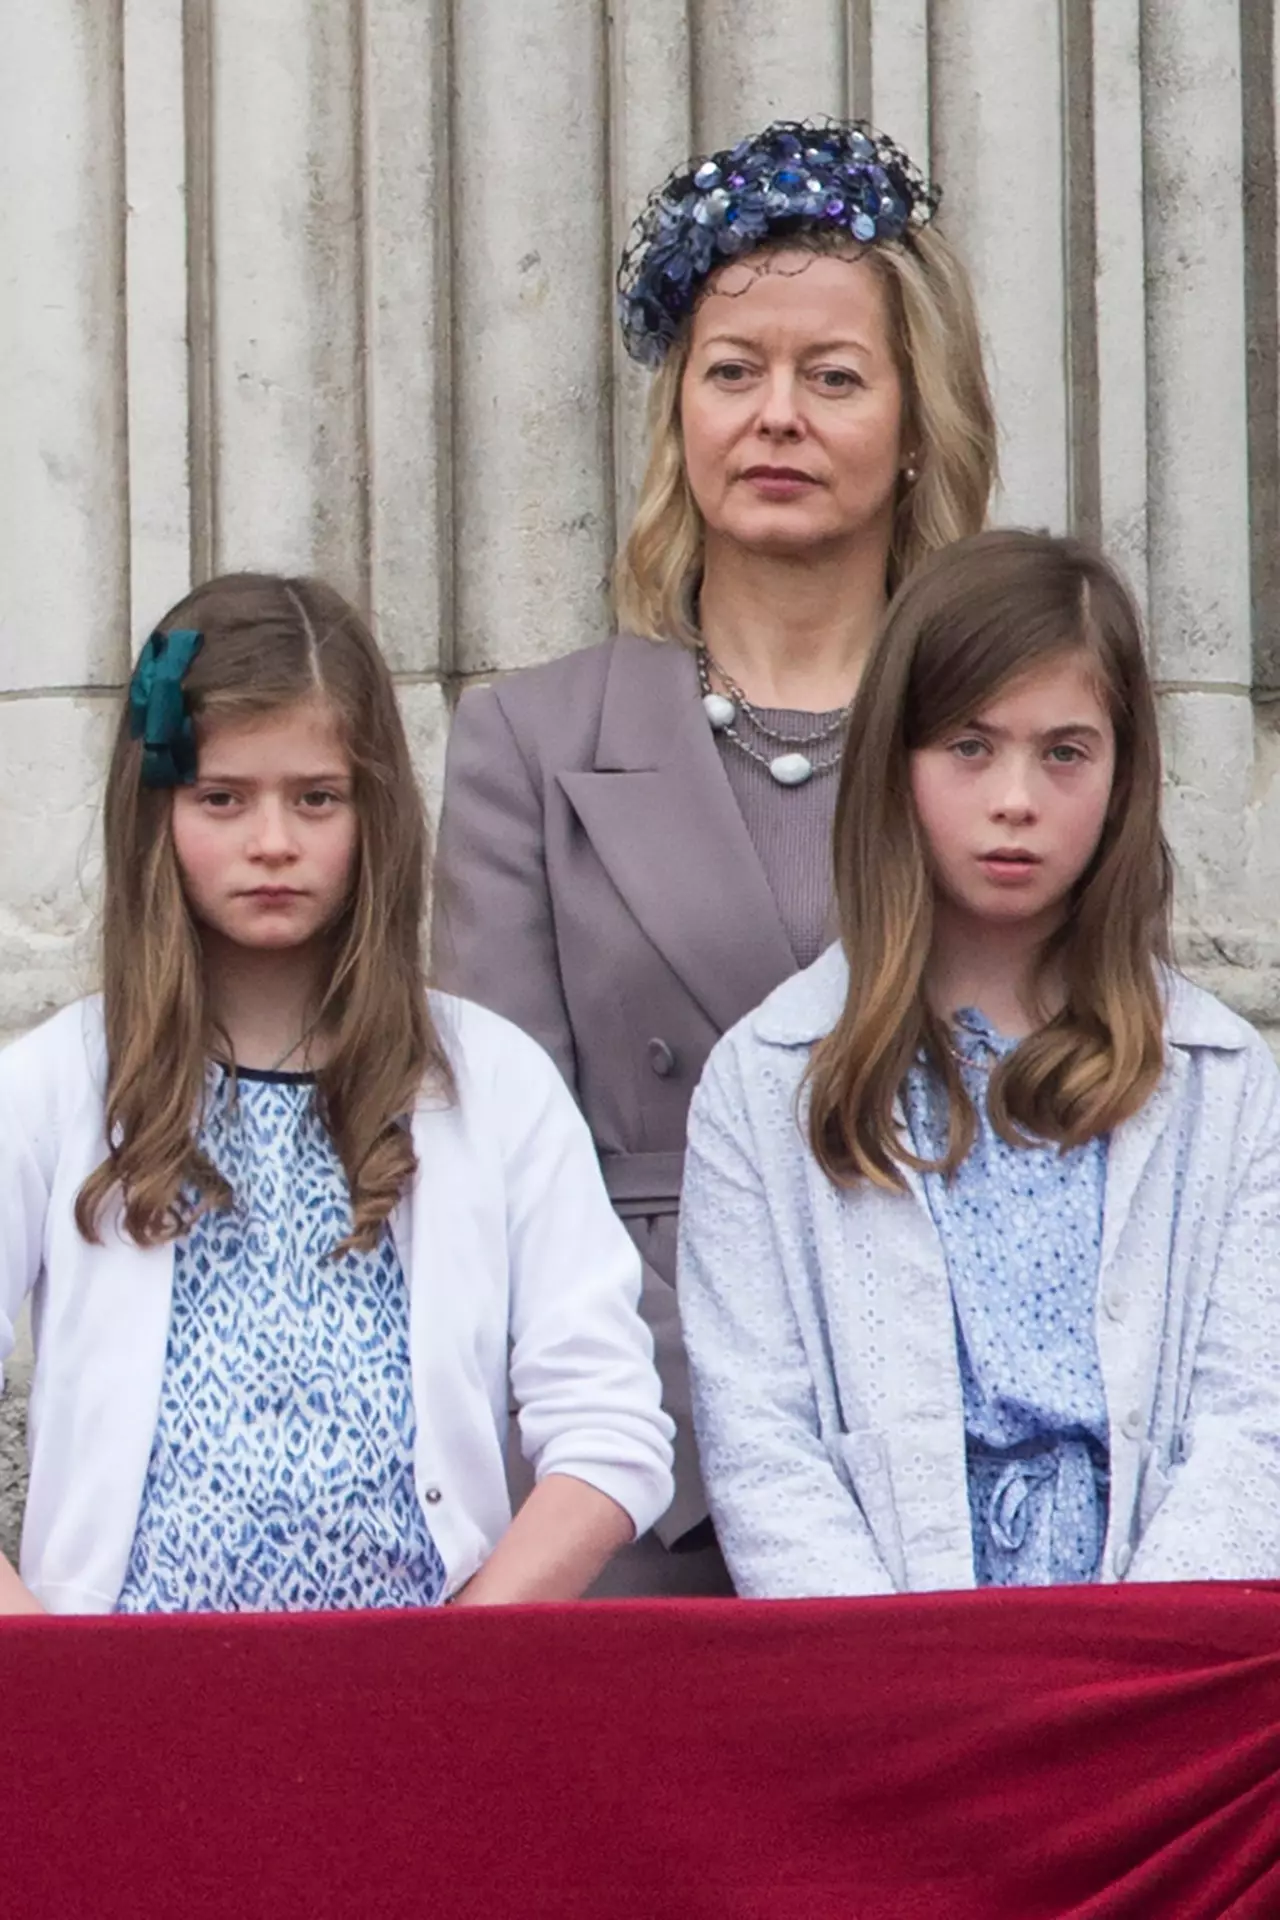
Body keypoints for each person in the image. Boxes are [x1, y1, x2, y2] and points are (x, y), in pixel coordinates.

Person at [431, 118, 997, 1594]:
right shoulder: (528, 744)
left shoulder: (1017, 740)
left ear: (920, 420)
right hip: (637, 1465)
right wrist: (691, 1440)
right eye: (732, 372)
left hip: (967, 1445)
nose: (776, 417)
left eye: (834, 376)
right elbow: (496, 1157)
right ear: (679, 416)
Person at [0, 574, 673, 1616]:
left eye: (316, 797)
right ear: (155, 811)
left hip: (422, 1711)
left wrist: (464, 1657)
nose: (273, 841)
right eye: (222, 798)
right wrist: (42, 1664)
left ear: (376, 810)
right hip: (121, 1712)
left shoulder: (489, 1083)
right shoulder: (52, 1086)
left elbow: (610, 1423)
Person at [677, 527, 1280, 1598]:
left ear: (1120, 772)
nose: (1014, 798)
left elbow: (1251, 1419)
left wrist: (1132, 1660)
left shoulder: (1222, 1082)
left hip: (1160, 1671)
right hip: (886, 1676)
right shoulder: (768, 1077)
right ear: (894, 766)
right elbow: (762, 1445)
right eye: (967, 747)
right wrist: (904, 1680)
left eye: (1062, 753)